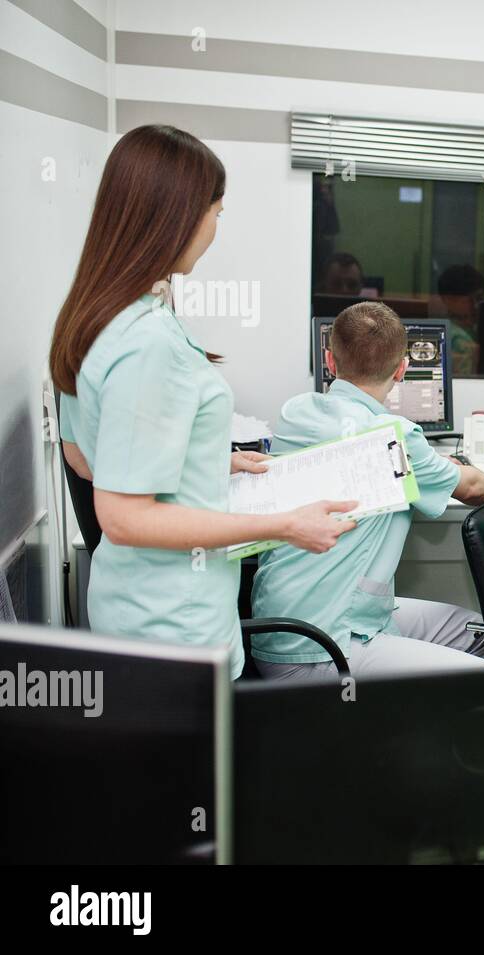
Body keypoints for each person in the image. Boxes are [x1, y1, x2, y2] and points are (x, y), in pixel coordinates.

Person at [49, 125, 354, 678]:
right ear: (176, 216)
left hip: (144, 613)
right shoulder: (146, 342)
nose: (216, 225)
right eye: (215, 210)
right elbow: (122, 517)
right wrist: (282, 525)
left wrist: (207, 459)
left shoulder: (107, 314)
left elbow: (89, 453)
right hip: (173, 627)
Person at [251, 301, 484, 679]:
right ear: (402, 369)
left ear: (330, 362)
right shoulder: (393, 438)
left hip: (284, 626)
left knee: (481, 635)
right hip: (320, 647)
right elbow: (475, 488)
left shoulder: (296, 413)